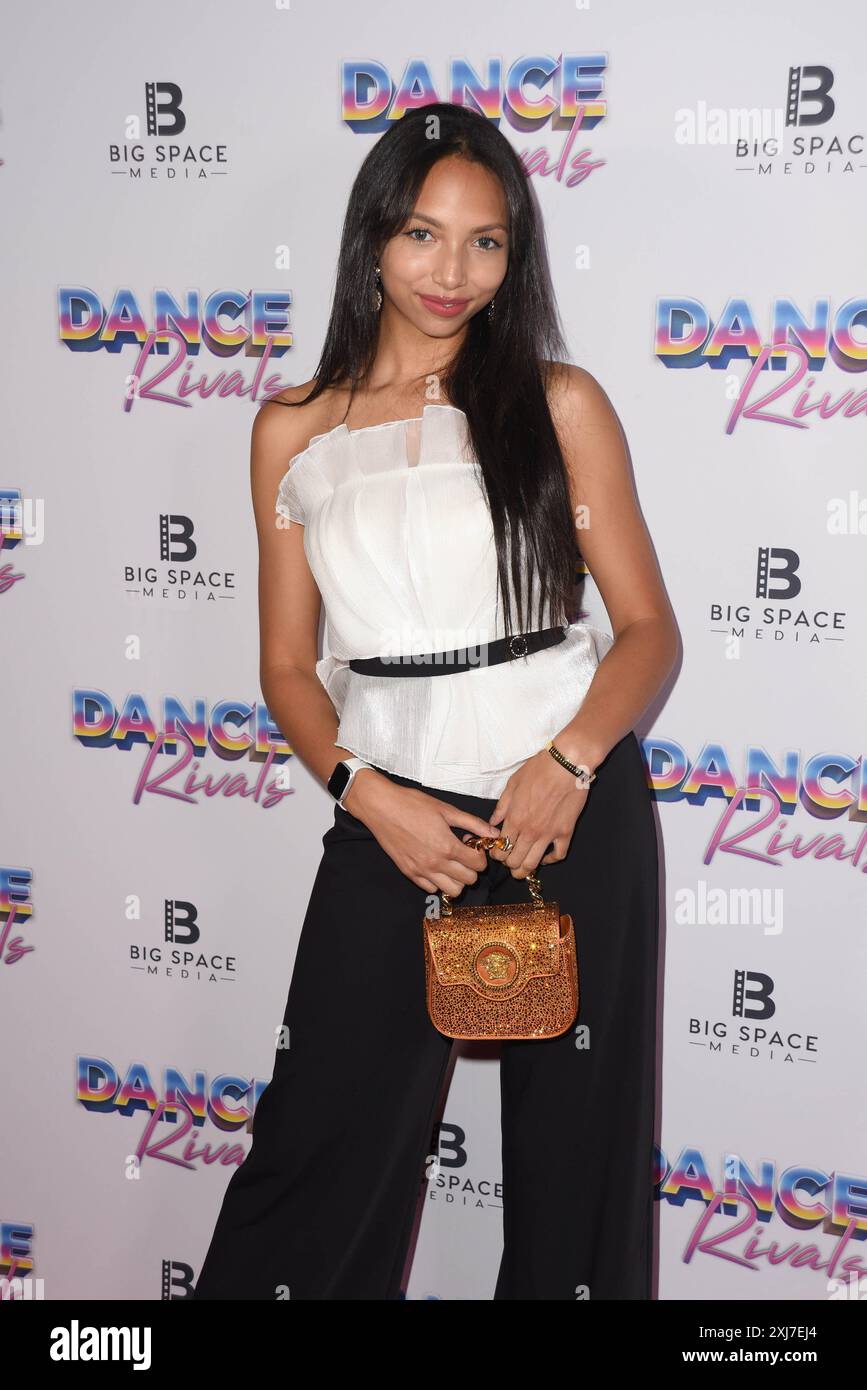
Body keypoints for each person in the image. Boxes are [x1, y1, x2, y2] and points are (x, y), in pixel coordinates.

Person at [192, 101, 678, 1301]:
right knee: (317, 1153)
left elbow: (649, 633)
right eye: (423, 234)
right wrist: (372, 799)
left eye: (487, 241)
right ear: (371, 242)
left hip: (566, 805)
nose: (452, 271)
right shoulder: (291, 431)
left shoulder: (558, 403)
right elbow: (288, 670)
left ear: (515, 256)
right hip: (392, 818)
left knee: (579, 1174)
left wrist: (566, 763)